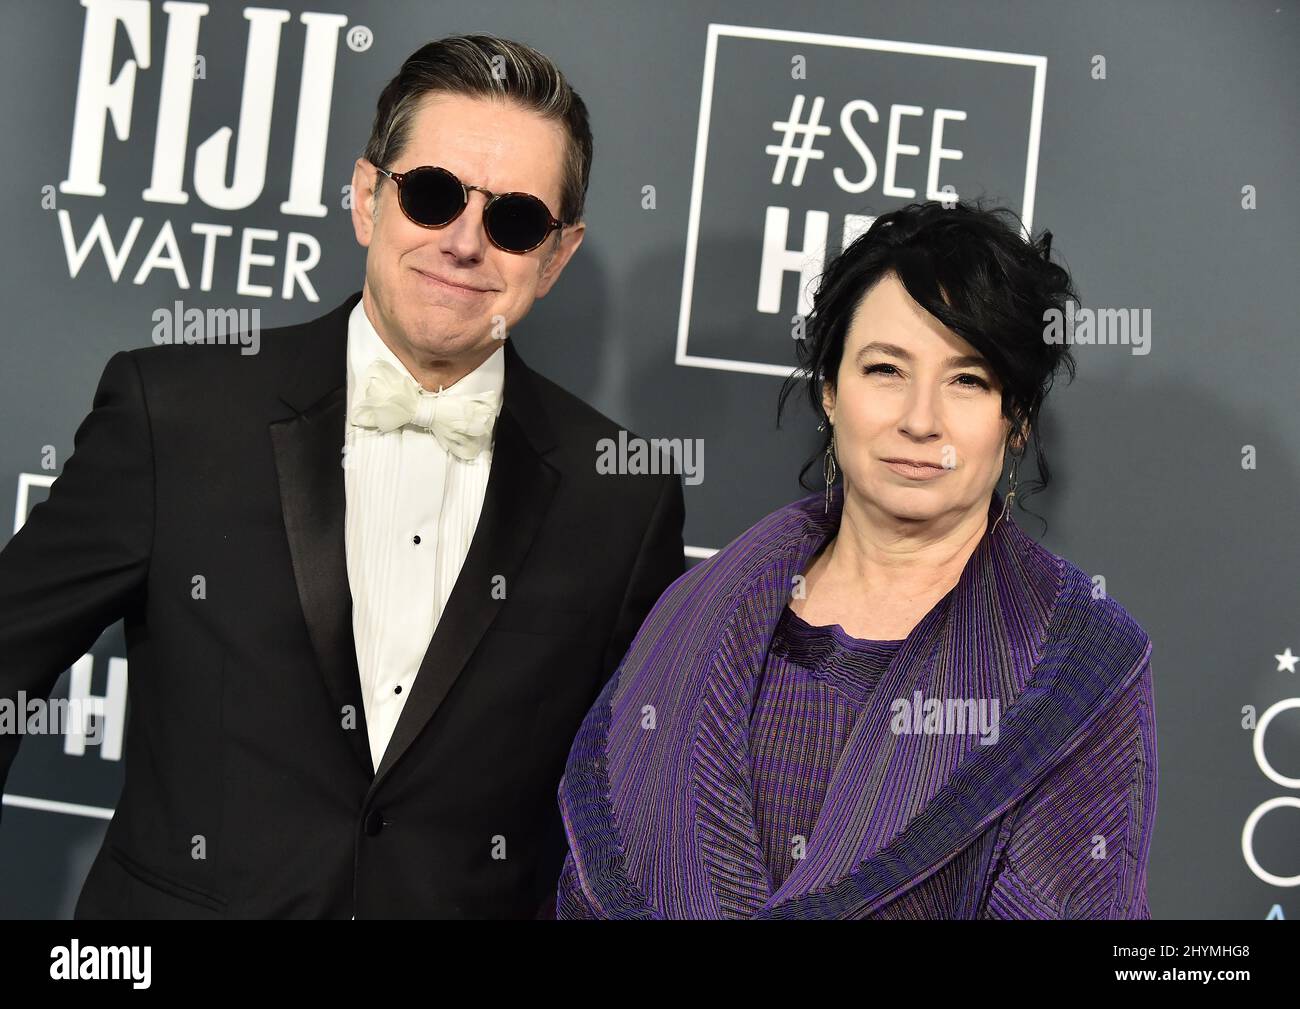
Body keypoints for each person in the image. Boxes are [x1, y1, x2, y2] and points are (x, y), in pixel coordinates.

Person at [0, 34, 684, 919]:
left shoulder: (620, 494)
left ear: (555, 254)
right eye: (433, 196)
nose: (466, 242)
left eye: (515, 220)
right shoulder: (176, 413)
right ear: (368, 199)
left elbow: (632, 811)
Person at [556, 200, 1157, 919]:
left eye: (968, 379)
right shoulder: (696, 610)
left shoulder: (1076, 670)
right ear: (831, 391)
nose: (920, 418)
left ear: (1017, 417)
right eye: (885, 369)